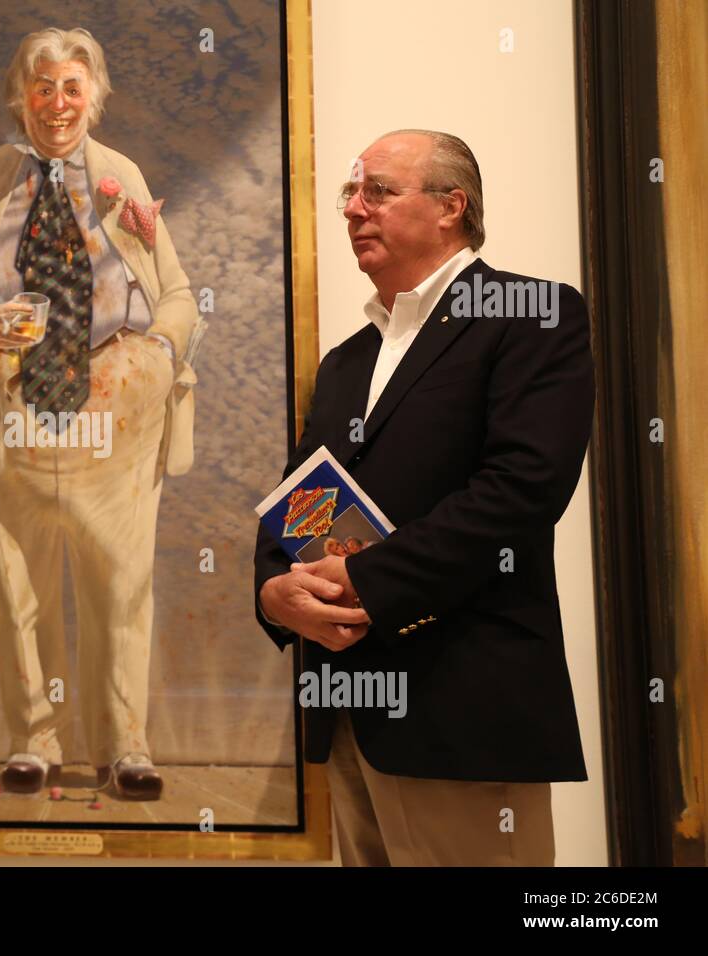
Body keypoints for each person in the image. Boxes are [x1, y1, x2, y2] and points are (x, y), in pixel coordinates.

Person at [253, 130, 593, 865]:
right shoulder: (347, 361)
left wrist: (369, 583)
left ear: (451, 207)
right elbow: (301, 505)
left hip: (463, 709)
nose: (352, 209)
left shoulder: (530, 314)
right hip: (349, 711)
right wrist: (274, 594)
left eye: (376, 190)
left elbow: (521, 491)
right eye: (350, 193)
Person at [0, 27, 199, 800]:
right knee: (20, 590)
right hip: (10, 414)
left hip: (112, 418)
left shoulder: (123, 179)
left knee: (120, 586)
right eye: (41, 87)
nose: (56, 103)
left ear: (94, 97)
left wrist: (155, 359)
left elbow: (176, 293)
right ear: (21, 96)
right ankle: (34, 742)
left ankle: (126, 746)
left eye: (71, 87)